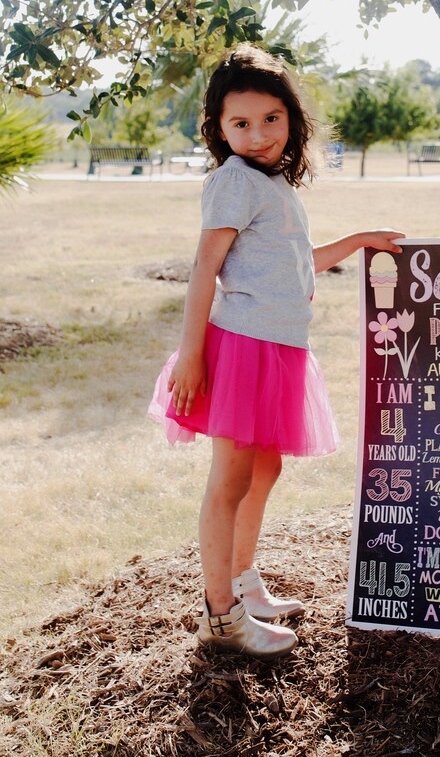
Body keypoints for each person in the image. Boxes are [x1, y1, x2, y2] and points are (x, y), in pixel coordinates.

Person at [149, 45, 403, 659]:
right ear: (218, 128)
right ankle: (221, 617)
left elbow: (297, 265)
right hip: (242, 349)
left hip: (280, 350)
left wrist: (361, 240)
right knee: (231, 480)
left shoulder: (274, 185)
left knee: (265, 470)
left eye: (271, 119)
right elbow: (205, 269)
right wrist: (191, 354)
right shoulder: (233, 181)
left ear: (291, 120)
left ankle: (243, 581)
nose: (258, 134)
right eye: (241, 123)